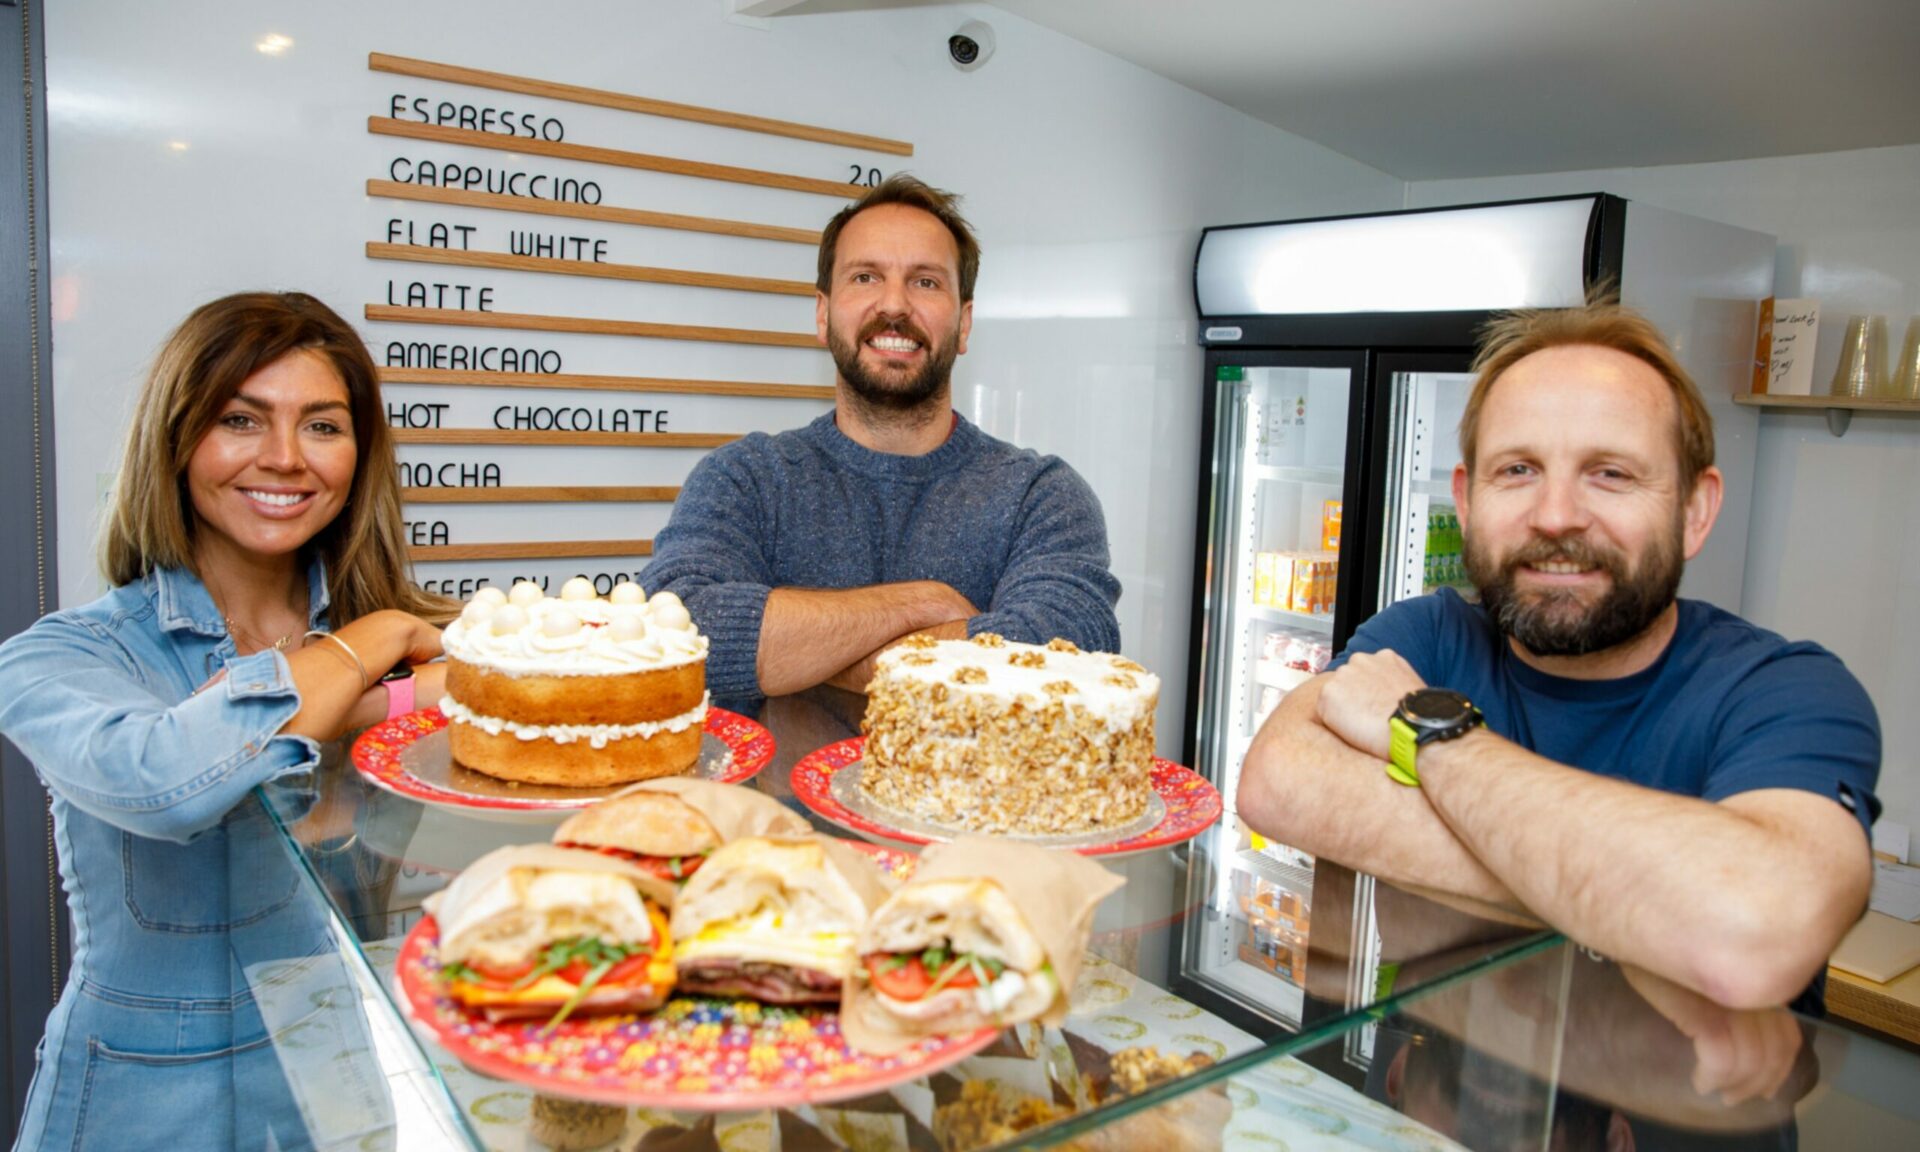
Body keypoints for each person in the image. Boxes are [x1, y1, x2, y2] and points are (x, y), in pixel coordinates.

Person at [1237, 299, 1880, 1012]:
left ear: (1694, 511)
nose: (1555, 516)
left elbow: (1752, 933)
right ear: (1468, 503)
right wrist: (1641, 903)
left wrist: (1434, 733)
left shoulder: (1783, 693)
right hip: (1426, 1080)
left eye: (1611, 473)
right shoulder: (1428, 637)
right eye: (1518, 470)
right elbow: (1276, 781)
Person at [0, 292, 454, 1150]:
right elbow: (165, 782)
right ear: (176, 441)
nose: (285, 458)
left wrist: (386, 695)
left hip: (339, 1079)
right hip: (142, 1108)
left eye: (323, 426)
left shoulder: (408, 660)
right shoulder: (64, 656)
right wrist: (374, 644)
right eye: (241, 420)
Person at [642, 174, 1121, 708]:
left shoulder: (1042, 495)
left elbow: (1058, 655)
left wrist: (799, 652)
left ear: (964, 324)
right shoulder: (744, 478)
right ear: (823, 314)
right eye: (866, 277)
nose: (894, 305)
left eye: (926, 282)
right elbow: (681, 632)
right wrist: (923, 603)